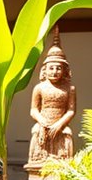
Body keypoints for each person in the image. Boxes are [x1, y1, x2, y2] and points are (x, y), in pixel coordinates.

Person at [27, 28, 76, 169]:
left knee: (67, 135)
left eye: (58, 68)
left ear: (65, 70)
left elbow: (71, 111)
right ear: (45, 70)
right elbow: (33, 110)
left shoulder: (70, 88)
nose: (54, 72)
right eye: (51, 68)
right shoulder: (39, 88)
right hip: (43, 123)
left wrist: (59, 125)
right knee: (37, 133)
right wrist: (42, 122)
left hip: (60, 124)